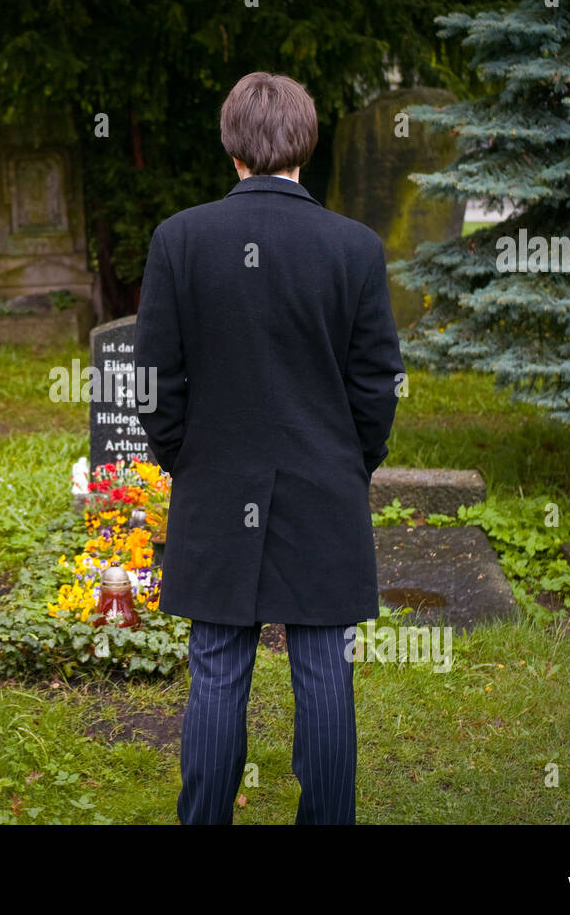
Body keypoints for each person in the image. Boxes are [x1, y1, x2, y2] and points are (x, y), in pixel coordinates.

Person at [135, 70, 404, 825]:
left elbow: (152, 379)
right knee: (324, 671)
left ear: (232, 149)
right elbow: (378, 382)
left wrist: (185, 456)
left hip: (217, 484)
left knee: (217, 669)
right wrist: (352, 462)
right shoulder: (353, 247)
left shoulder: (181, 239)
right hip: (324, 486)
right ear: (304, 145)